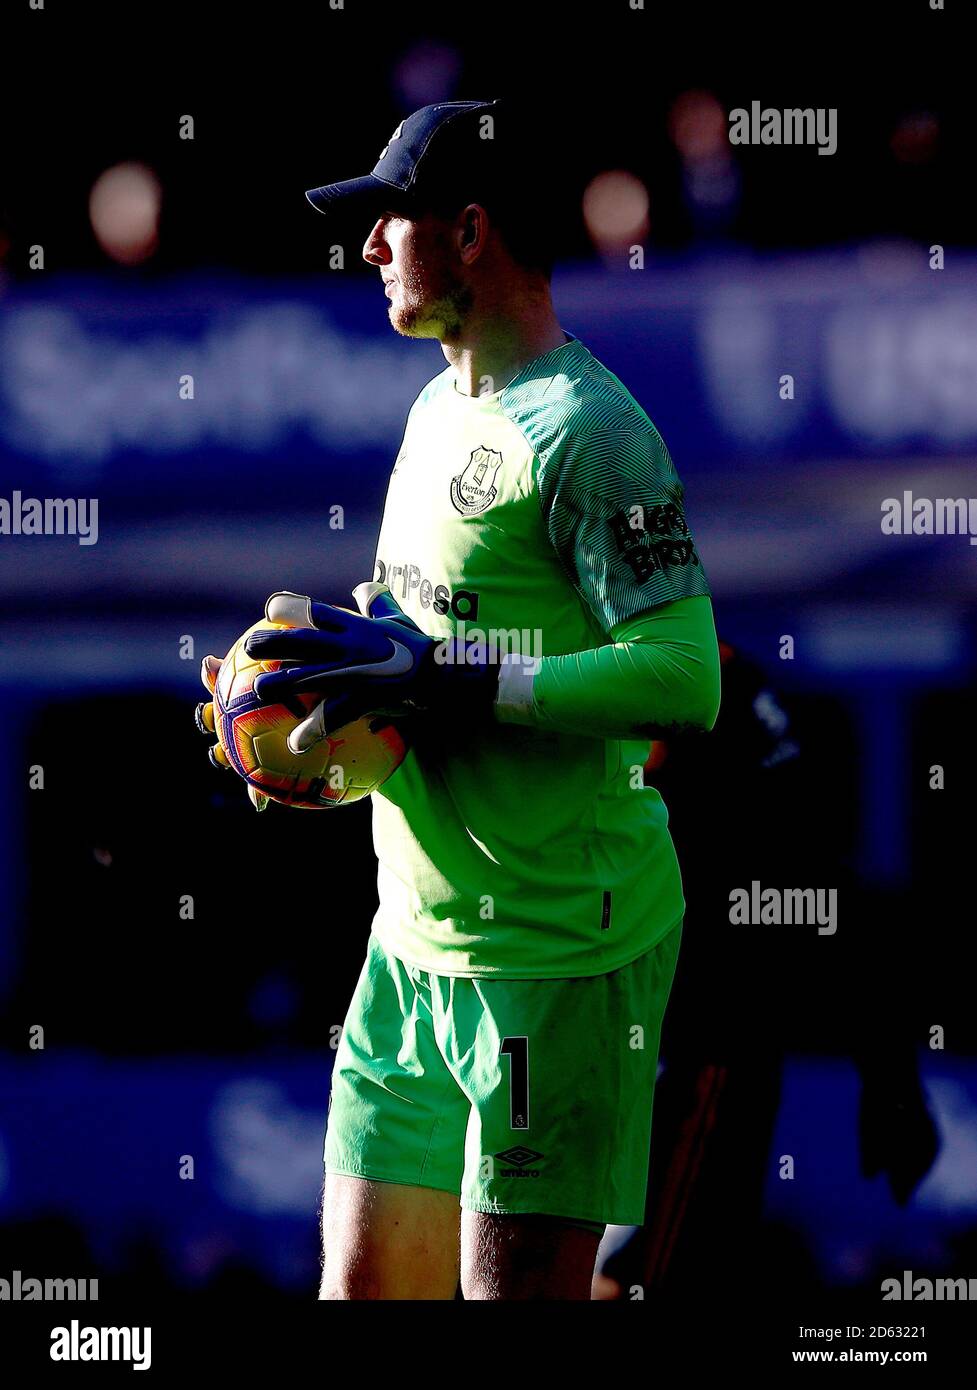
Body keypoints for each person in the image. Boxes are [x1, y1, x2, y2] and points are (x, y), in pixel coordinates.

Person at [209, 99, 721, 1300]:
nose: (368, 248)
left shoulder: (593, 432)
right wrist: (294, 731)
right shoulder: (435, 410)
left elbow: (682, 677)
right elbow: (409, 678)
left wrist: (455, 682)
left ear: (472, 232)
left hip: (553, 958)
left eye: (391, 221)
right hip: (408, 945)